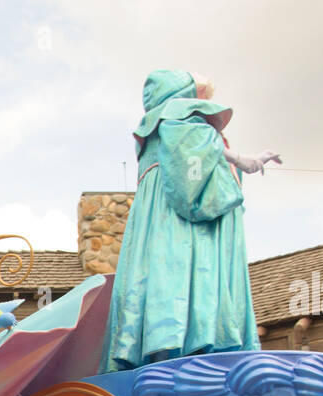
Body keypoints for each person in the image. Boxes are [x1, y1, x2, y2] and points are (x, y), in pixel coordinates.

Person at [104, 70, 279, 370]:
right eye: (200, 100)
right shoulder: (182, 123)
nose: (201, 111)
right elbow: (194, 181)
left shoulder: (154, 131)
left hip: (154, 221)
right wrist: (239, 159)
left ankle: (159, 342)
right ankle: (195, 337)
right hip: (182, 228)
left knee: (159, 273)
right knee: (189, 272)